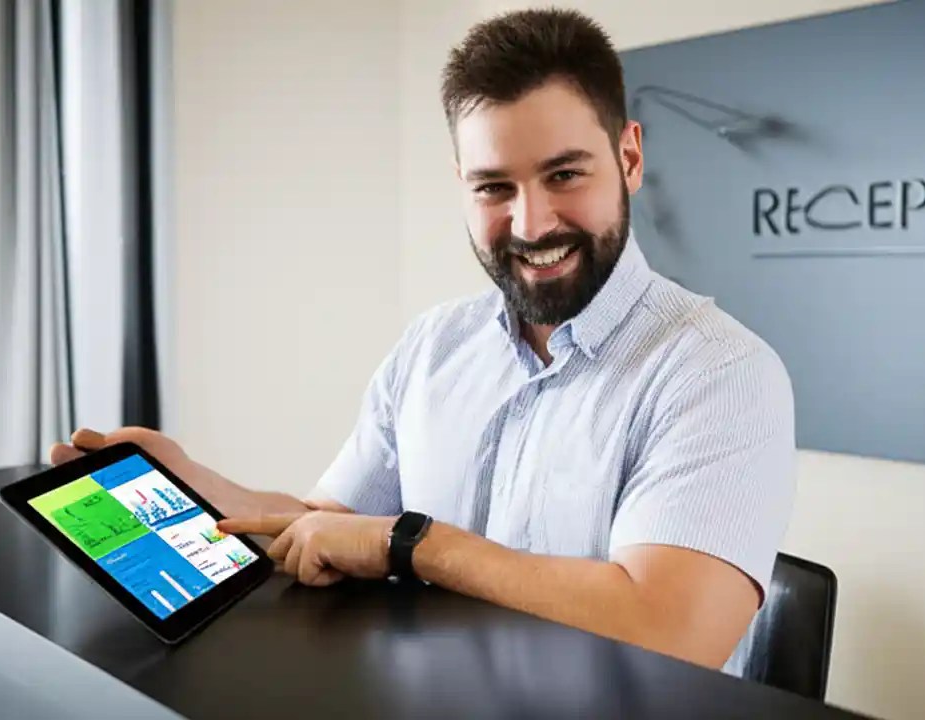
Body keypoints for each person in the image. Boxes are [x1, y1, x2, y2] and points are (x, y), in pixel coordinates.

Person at [51, 8, 795, 670]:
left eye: (564, 174)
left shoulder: (718, 370)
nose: (532, 224)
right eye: (494, 187)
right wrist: (186, 480)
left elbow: (668, 630)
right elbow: (330, 529)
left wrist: (411, 543)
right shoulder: (434, 346)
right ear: (461, 182)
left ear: (629, 157)